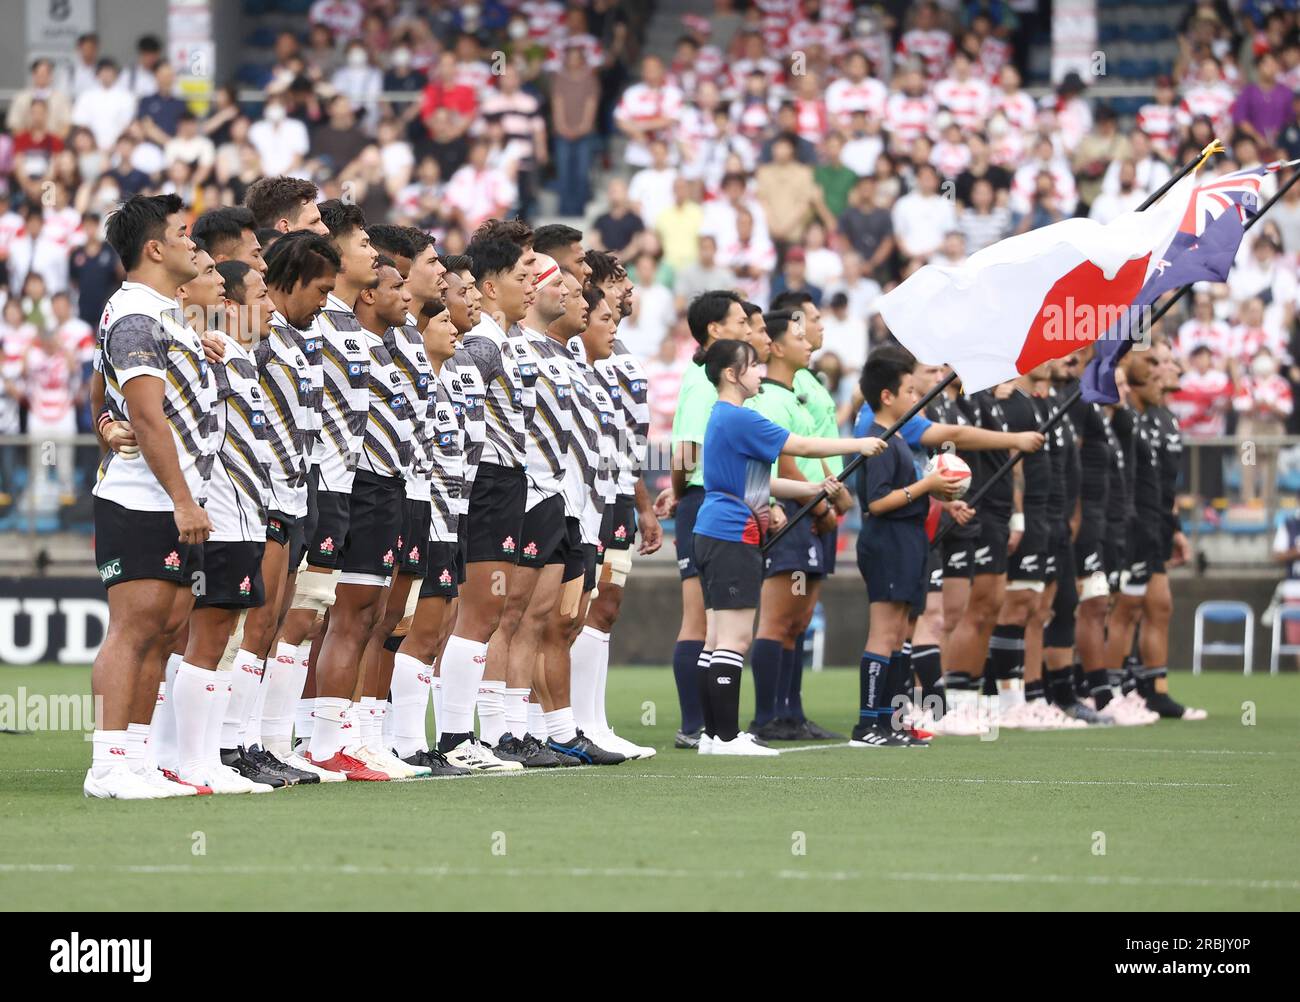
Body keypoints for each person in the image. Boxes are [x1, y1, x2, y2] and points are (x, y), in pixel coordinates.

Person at [693, 338, 885, 757]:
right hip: (732, 534)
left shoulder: (722, 418)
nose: (759, 373)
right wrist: (858, 444)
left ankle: (713, 735)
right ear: (732, 374)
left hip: (714, 529)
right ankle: (724, 738)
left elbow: (753, 483)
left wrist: (812, 487)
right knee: (734, 639)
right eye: (752, 367)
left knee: (715, 639)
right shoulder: (740, 418)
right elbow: (802, 445)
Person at [87, 193, 213, 800]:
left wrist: (103, 425)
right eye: (184, 234)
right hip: (143, 500)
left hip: (169, 496)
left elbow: (101, 391)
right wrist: (184, 500)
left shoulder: (160, 314)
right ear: (155, 249)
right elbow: (147, 414)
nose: (196, 244)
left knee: (166, 632)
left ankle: (135, 760)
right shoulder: (137, 313)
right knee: (134, 630)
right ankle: (107, 764)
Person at [851, 347, 966, 749]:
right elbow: (878, 502)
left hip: (910, 539)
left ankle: (890, 719)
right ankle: (868, 724)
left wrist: (938, 495)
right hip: (888, 541)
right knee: (884, 633)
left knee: (901, 633)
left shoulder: (897, 437)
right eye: (910, 392)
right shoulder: (877, 439)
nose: (917, 400)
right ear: (887, 396)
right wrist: (927, 486)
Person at [653, 290, 750, 748]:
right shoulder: (700, 383)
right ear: (715, 330)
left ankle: (708, 725)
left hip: (705, 499)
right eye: (739, 321)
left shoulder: (711, 380)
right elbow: (687, 450)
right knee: (699, 620)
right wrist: (678, 492)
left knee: (712, 621)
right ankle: (694, 725)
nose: (746, 328)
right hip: (701, 501)